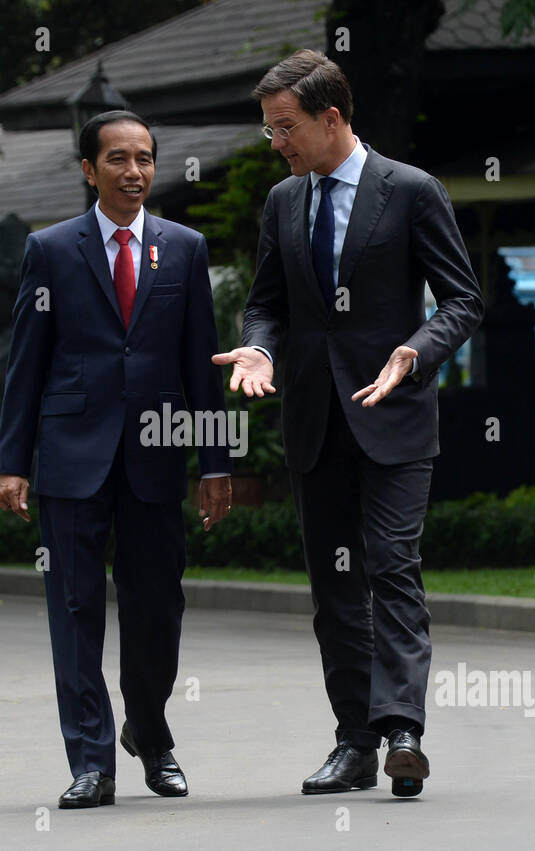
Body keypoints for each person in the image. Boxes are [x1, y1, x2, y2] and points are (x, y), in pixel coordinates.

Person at [213, 50, 484, 798]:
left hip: (393, 416)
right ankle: (354, 742)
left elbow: (462, 300)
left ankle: (404, 731)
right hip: (312, 421)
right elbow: (267, 301)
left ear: (331, 118)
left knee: (391, 567)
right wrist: (260, 347)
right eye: (271, 131)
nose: (277, 144)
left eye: (285, 128)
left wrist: (415, 349)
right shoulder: (283, 202)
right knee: (335, 588)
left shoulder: (411, 190)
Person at [0, 110, 233, 809]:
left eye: (146, 159)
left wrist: (215, 461)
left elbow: (200, 366)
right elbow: (25, 365)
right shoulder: (50, 250)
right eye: (119, 159)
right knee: (74, 610)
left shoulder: (185, 249)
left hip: (156, 457)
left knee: (156, 607)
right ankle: (92, 763)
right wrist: (14, 461)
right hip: (71, 457)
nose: (135, 171)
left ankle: (152, 735)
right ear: (88, 168)